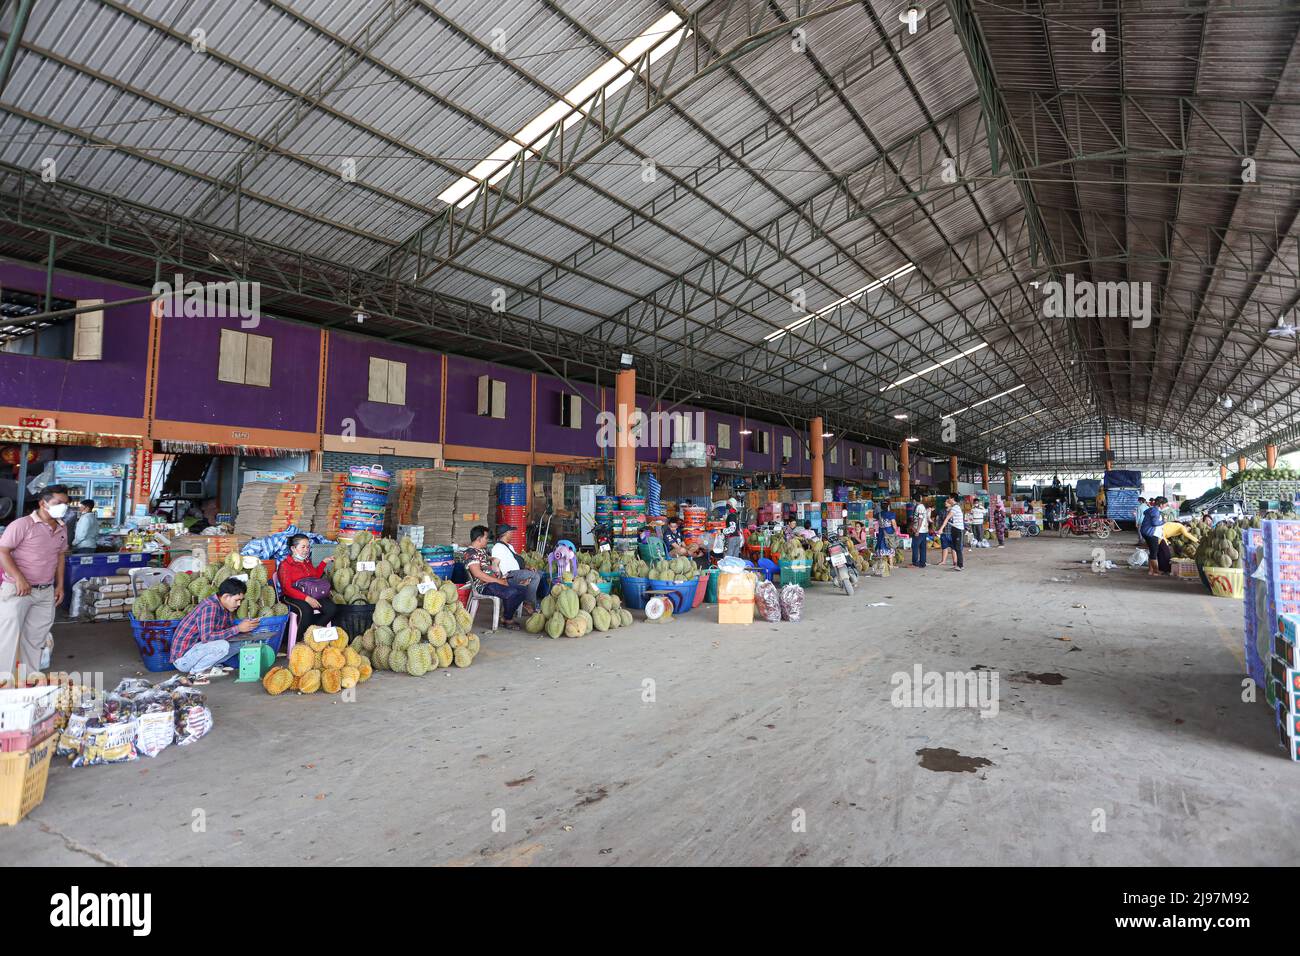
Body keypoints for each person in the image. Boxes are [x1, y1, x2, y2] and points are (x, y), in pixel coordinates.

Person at [0, 484, 70, 682]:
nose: (62, 507)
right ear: (43, 503)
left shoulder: (62, 528)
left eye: (65, 504)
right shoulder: (22, 525)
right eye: (58, 503)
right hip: (17, 590)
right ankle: (3, 686)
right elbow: (2, 551)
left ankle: (29, 682)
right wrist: (19, 578)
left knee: (35, 639)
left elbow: (60, 557)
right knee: (7, 639)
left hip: (45, 591)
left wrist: (60, 585)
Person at [169, 578, 260, 675]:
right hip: (184, 659)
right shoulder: (210, 607)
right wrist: (238, 628)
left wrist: (246, 627)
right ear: (225, 596)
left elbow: (228, 630)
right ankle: (196, 673)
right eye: (237, 600)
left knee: (243, 642)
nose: (239, 604)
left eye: (241, 601)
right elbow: (207, 638)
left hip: (198, 651)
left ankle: (208, 666)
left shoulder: (225, 608)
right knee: (222, 645)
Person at [463, 525, 527, 628]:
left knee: (522, 590)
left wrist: (493, 562)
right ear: (479, 539)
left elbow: (486, 563)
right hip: (483, 585)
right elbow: (478, 574)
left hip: (493, 581)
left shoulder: (481, 550)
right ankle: (508, 619)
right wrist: (499, 581)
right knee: (511, 592)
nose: (487, 540)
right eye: (486, 538)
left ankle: (506, 617)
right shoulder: (470, 553)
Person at [277, 534, 336, 629]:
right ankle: (299, 639)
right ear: (293, 548)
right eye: (303, 547)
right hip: (291, 596)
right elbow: (287, 589)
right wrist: (306, 598)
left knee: (331, 608)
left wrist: (324, 562)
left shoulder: (306, 562)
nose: (306, 550)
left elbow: (315, 576)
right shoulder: (285, 565)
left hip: (310, 593)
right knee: (306, 610)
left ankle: (313, 633)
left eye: (308, 547)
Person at [491, 524, 541, 614]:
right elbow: (495, 563)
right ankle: (527, 603)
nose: (512, 534)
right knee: (535, 577)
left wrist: (528, 568)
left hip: (518, 572)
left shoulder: (509, 547)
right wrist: (499, 574)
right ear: (506, 533)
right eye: (511, 532)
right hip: (510, 574)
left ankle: (526, 598)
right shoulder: (497, 547)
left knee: (540, 573)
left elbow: (516, 561)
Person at [935, 495, 965, 571]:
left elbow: (947, 518)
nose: (948, 500)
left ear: (953, 499)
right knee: (955, 547)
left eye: (949, 498)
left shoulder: (955, 508)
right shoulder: (953, 507)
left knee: (957, 548)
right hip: (954, 529)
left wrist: (941, 529)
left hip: (958, 530)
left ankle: (960, 565)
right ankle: (958, 564)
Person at [1139, 496, 1164, 578]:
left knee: (1151, 551)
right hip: (1151, 534)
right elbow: (1155, 523)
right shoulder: (1155, 511)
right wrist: (1164, 521)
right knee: (1154, 553)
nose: (1165, 506)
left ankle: (1150, 570)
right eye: (1165, 504)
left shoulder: (1151, 509)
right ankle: (1156, 571)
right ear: (1161, 504)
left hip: (1145, 532)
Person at [910, 493, 929, 568]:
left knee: (915, 546)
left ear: (914, 500)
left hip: (920, 530)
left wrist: (917, 530)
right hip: (923, 530)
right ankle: (922, 563)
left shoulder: (919, 507)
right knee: (922, 547)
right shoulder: (920, 506)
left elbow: (920, 519)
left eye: (912, 500)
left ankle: (915, 562)